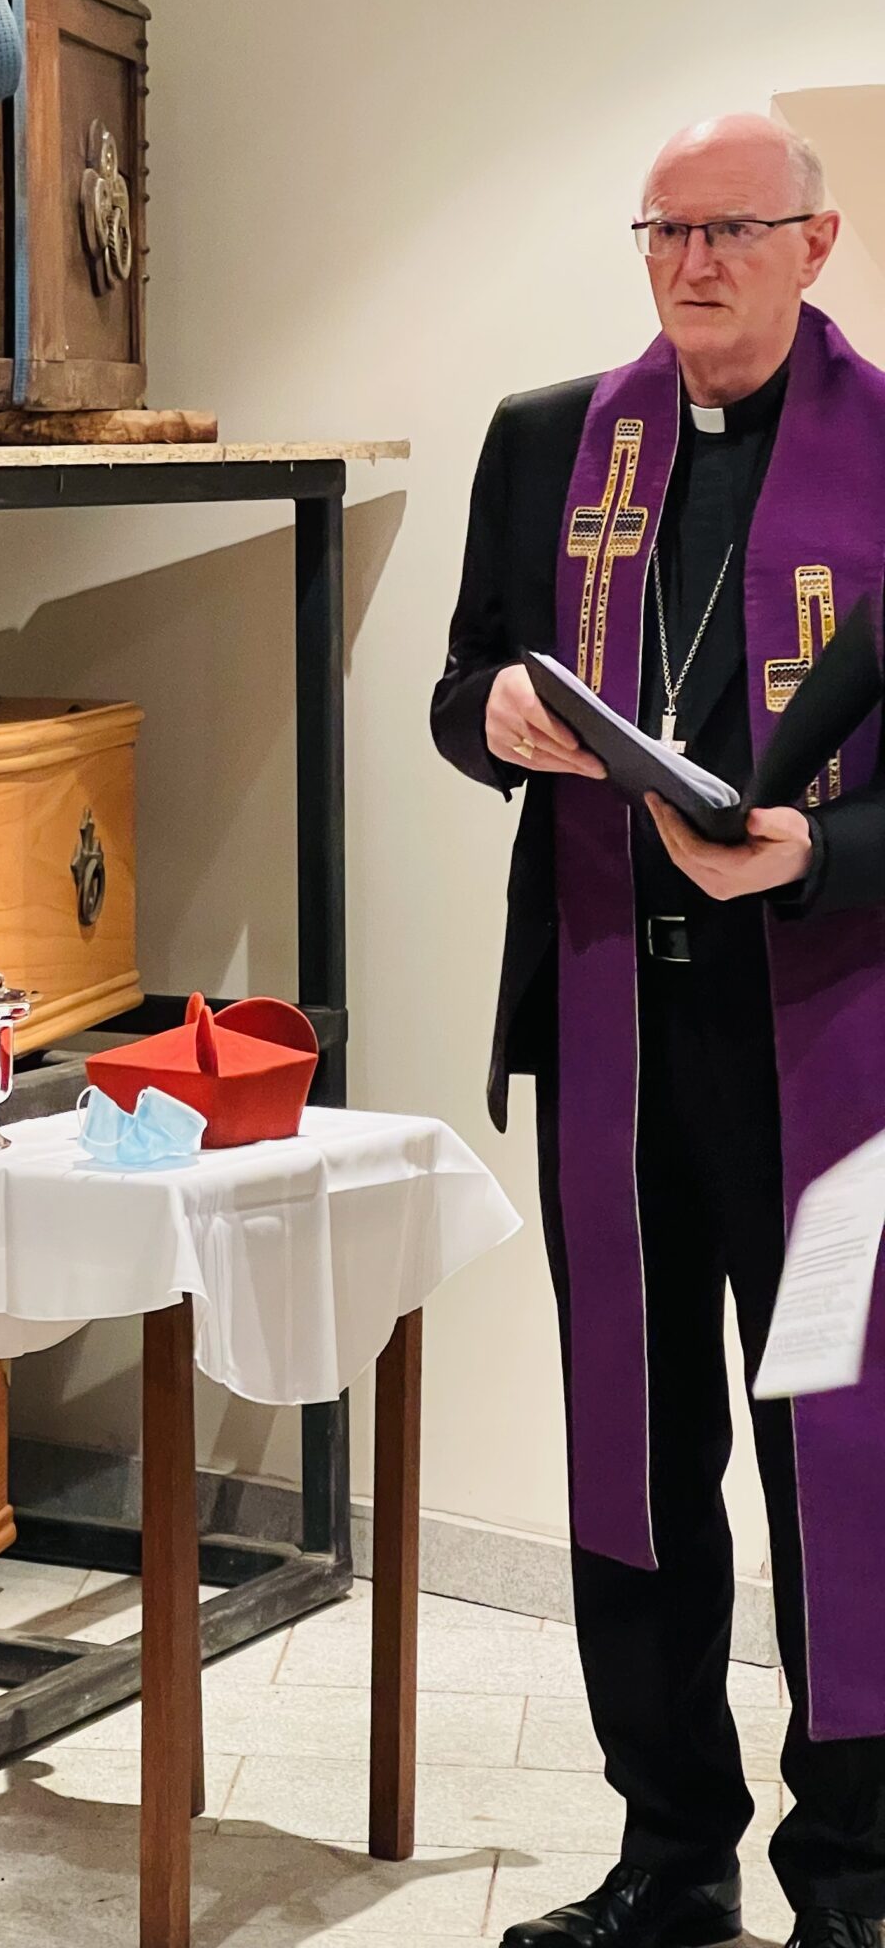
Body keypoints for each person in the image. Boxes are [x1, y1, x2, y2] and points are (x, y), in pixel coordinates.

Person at [432, 115, 885, 1948]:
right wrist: (502, 728)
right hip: (621, 1032)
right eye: (666, 230)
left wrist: (812, 846)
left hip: (837, 1051)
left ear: (817, 242)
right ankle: (669, 1849)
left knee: (840, 1451)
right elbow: (469, 679)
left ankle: (854, 1877)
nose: (694, 262)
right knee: (636, 1448)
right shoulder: (553, 442)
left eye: (735, 231)